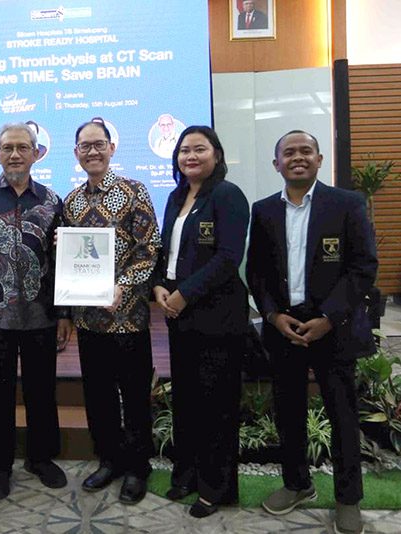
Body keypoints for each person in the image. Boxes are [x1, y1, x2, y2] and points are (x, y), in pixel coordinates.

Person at [246, 130, 377, 534]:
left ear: (320, 159)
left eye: (306, 151)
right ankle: (297, 484)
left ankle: (348, 500)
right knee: (288, 413)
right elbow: (257, 272)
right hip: (284, 328)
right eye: (289, 153)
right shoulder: (264, 210)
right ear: (277, 164)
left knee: (342, 416)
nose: (298, 157)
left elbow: (363, 267)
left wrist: (328, 318)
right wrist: (272, 316)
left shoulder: (347, 204)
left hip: (333, 329)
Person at [0, 122, 72, 500]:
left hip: (42, 315)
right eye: (7, 148)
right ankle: (0, 466)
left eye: (23, 147)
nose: (14, 154)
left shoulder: (52, 201)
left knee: (42, 390)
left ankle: (41, 458)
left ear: (36, 153)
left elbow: (60, 262)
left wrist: (64, 314)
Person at [152, 126, 249, 518]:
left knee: (216, 405)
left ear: (216, 154)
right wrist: (159, 286)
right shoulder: (176, 196)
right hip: (180, 314)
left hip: (217, 315)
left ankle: (217, 489)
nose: (190, 156)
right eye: (184, 150)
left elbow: (228, 258)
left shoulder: (228, 195)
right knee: (188, 401)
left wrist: (184, 294)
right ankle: (188, 475)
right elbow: (165, 250)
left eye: (199, 149)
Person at [63, 120, 161, 505]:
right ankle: (109, 460)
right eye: (85, 146)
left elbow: (149, 248)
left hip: (128, 317)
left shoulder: (134, 191)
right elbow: (70, 257)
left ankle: (137, 467)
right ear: (76, 153)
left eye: (99, 144)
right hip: (89, 319)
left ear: (112, 148)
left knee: (134, 396)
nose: (92, 151)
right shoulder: (71, 201)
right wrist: (61, 246)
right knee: (98, 395)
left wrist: (123, 285)